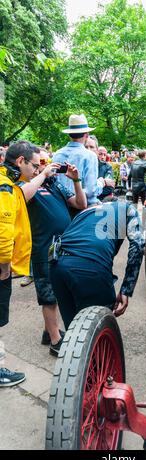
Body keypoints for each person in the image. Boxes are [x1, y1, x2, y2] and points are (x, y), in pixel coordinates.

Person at [15, 146, 87, 355]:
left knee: (57, 290)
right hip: (42, 247)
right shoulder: (24, 184)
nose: (43, 168)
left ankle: (49, 331)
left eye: (47, 163)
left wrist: (75, 180)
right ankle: (56, 342)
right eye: (39, 164)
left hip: (62, 246)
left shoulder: (54, 184)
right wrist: (42, 175)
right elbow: (22, 196)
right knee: (48, 295)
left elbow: (81, 204)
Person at [49, 201, 144, 330]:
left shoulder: (86, 211)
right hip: (91, 266)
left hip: (57, 265)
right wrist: (126, 289)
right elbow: (138, 244)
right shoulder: (127, 208)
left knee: (73, 332)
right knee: (100, 329)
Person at [0, 141, 37, 386]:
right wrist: (4, 265)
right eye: (34, 165)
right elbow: (3, 230)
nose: (36, 169)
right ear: (20, 161)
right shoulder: (6, 188)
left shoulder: (8, 183)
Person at [53, 114, 103, 206]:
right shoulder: (90, 156)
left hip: (60, 206)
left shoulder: (57, 154)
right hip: (82, 208)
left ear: (69, 134)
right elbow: (90, 191)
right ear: (87, 135)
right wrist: (101, 184)